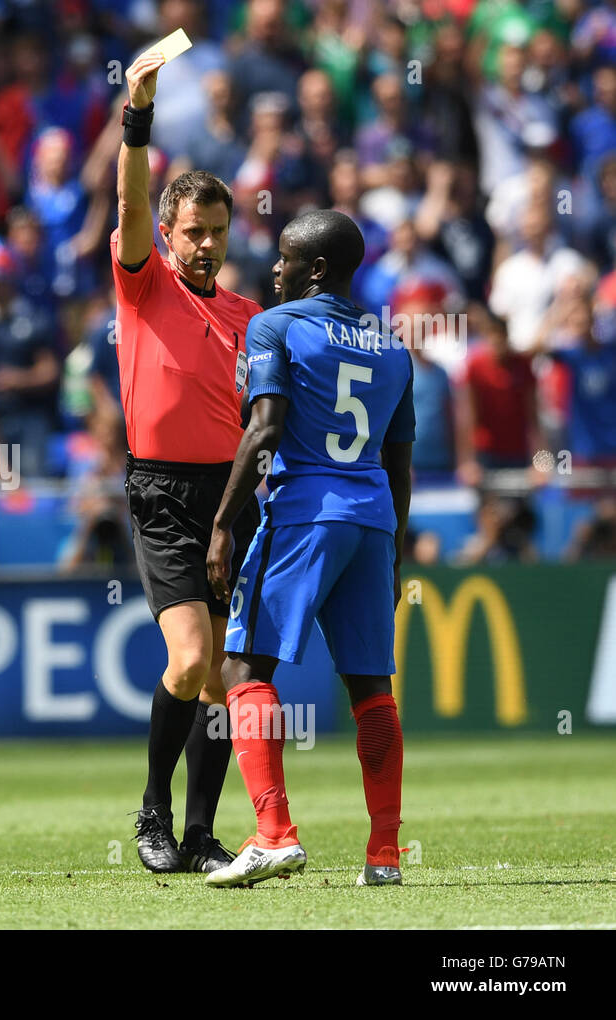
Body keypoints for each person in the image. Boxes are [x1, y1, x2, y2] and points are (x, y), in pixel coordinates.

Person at [204, 209, 414, 888]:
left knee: (242, 668)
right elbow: (400, 461)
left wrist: (222, 524)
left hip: (304, 514)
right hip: (373, 517)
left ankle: (272, 834)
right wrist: (396, 553)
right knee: (370, 689)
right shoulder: (394, 347)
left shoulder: (278, 325)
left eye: (287, 257)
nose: (275, 267)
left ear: (316, 269)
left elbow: (264, 428)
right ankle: (384, 856)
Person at [114, 49, 264, 875]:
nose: (205, 245)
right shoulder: (143, 286)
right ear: (167, 235)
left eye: (216, 233)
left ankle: (201, 833)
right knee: (191, 660)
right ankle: (151, 813)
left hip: (229, 498)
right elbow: (130, 195)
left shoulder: (247, 316)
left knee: (220, 680)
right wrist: (137, 116)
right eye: (192, 233)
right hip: (165, 495)